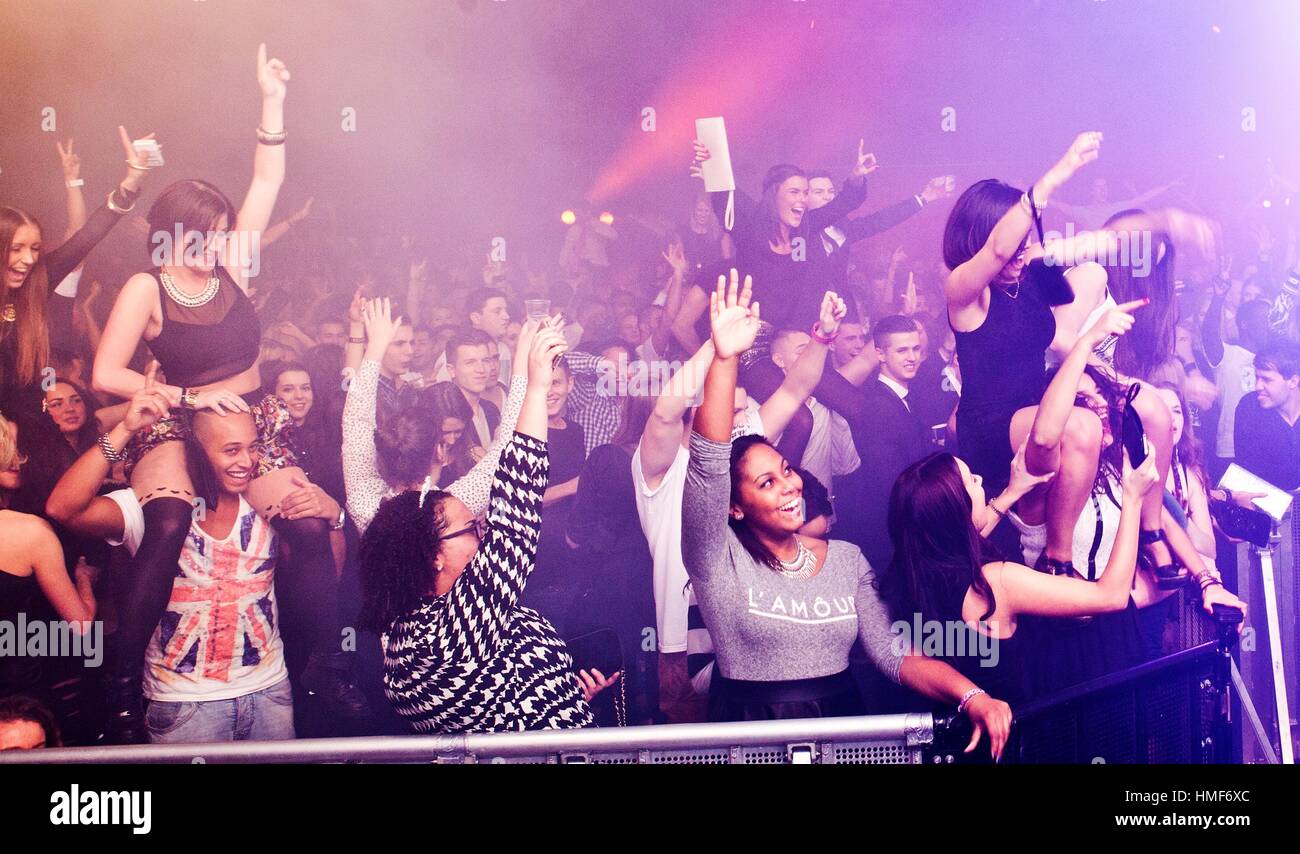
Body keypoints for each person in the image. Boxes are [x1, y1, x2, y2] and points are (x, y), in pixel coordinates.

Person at [89, 45, 355, 740]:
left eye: (218, 233)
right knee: (171, 524)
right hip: (175, 422)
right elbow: (106, 374)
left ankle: (318, 666)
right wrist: (184, 397)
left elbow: (268, 176)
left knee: (304, 523)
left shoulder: (234, 265)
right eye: (200, 235)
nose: (213, 245)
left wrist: (271, 101)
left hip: (250, 420)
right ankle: (119, 683)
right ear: (170, 230)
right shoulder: (147, 287)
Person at [680, 271, 1012, 757]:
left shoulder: (846, 559)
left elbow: (893, 654)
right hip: (750, 736)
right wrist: (726, 358)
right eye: (765, 482)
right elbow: (708, 463)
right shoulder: (715, 556)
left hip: (843, 734)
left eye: (786, 470)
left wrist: (972, 696)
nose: (790, 485)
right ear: (734, 505)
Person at [45, 380, 339, 744]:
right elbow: (62, 508)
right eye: (231, 450)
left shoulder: (267, 505)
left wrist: (333, 516)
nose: (246, 462)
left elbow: (328, 574)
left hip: (269, 693)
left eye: (252, 448)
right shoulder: (152, 507)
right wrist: (124, 429)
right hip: (182, 706)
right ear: (196, 451)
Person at [359, 322, 619, 733]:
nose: (484, 534)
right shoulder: (442, 635)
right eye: (470, 529)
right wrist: (533, 387)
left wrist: (562, 693)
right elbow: (515, 511)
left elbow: (493, 697)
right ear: (434, 555)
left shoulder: (408, 624)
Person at [2, 127, 156, 418]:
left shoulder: (38, 282)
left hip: (26, 420)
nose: (27, 259)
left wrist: (131, 182)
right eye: (17, 248)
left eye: (35, 249)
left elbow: (85, 237)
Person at [0, 415, 97, 700]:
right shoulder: (30, 532)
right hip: (17, 701)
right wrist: (84, 580)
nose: (21, 458)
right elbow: (80, 625)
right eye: (9, 448)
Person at [1234, 339, 1300, 491]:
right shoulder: (1249, 408)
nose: (1258, 386)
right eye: (1257, 377)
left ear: (1293, 381)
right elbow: (1246, 474)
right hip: (1266, 507)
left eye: (1267, 380)